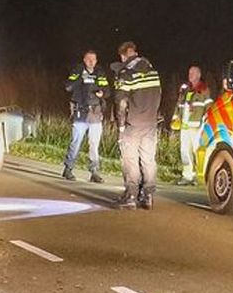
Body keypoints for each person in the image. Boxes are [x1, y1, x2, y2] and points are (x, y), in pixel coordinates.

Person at [113, 41, 161, 210]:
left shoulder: (126, 74)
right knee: (148, 160)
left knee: (130, 160)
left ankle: (131, 196)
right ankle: (148, 196)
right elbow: (158, 96)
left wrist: (120, 126)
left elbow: (121, 102)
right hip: (151, 123)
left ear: (123, 55)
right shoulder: (153, 72)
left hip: (133, 124)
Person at [63, 50, 110, 182]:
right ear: (84, 59)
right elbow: (68, 87)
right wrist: (81, 78)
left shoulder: (100, 73)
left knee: (94, 145)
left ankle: (94, 172)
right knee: (76, 142)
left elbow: (107, 91)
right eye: (89, 59)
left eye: (93, 59)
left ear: (96, 61)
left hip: (95, 113)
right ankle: (68, 168)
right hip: (80, 113)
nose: (91, 61)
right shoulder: (77, 71)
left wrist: (103, 93)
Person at [171, 65, 213, 185]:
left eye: (193, 73)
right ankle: (187, 176)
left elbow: (209, 108)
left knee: (197, 151)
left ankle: (199, 177)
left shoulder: (204, 89)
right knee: (185, 152)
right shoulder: (185, 89)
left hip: (197, 127)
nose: (190, 75)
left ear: (199, 75)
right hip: (184, 126)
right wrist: (175, 119)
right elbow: (179, 105)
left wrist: (205, 124)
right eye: (189, 73)